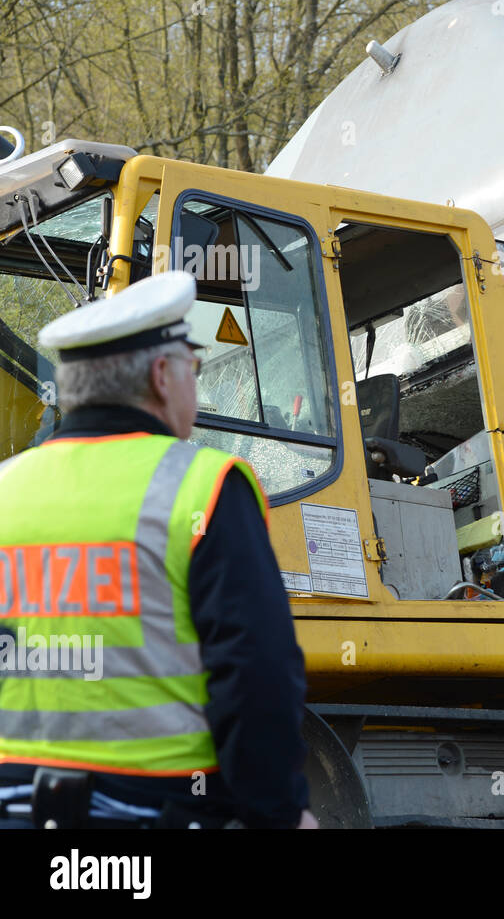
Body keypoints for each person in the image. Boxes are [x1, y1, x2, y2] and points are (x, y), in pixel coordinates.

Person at [0, 270, 316, 829]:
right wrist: (281, 815)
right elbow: (254, 673)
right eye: (193, 368)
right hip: (157, 813)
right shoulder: (205, 485)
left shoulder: (7, 488)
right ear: (162, 376)